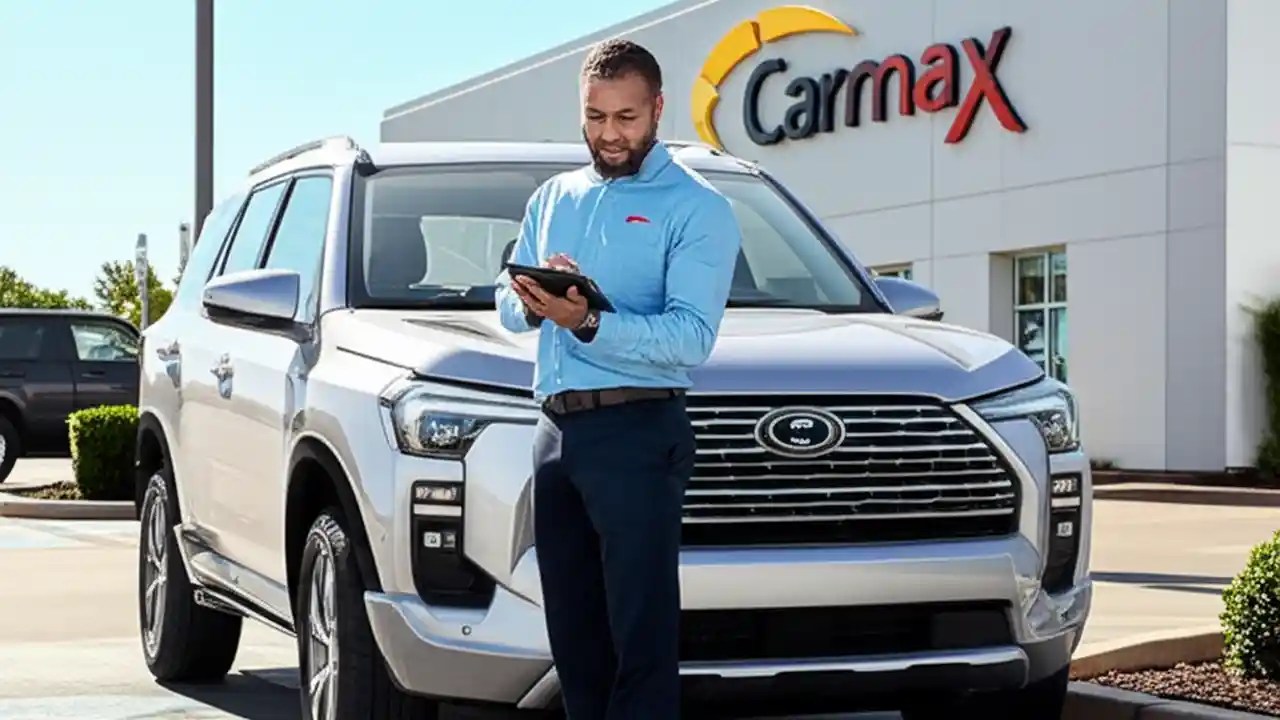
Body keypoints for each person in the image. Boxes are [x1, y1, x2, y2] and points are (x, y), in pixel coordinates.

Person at [493, 38, 743, 720]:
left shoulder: (699, 209)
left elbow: (693, 338)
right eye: (596, 117)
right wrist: (531, 298)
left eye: (626, 118)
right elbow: (505, 307)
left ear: (658, 109)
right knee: (575, 640)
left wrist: (587, 322)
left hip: (637, 432)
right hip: (554, 435)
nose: (609, 134)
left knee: (641, 640)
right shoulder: (553, 197)